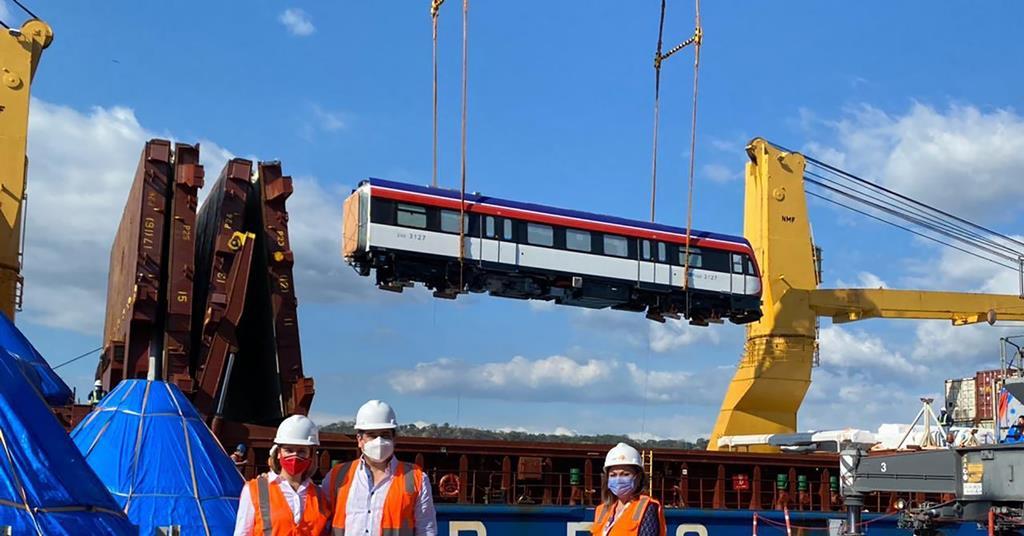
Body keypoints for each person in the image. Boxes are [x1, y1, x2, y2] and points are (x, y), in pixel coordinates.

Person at [323, 400, 437, 536]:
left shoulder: (416, 478)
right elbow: (322, 524)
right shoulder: (337, 476)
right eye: (372, 435)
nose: (379, 441)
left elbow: (426, 530)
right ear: (360, 440)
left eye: (385, 435)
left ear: (395, 439)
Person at [233, 415, 330, 536]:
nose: (295, 456)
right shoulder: (254, 489)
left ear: (310, 455)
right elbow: (242, 533)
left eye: (301, 451)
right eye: (289, 450)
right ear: (278, 453)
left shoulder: (320, 495)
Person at [591, 443, 666, 536]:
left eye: (625, 474)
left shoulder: (646, 507)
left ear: (638, 477)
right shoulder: (602, 510)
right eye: (613, 475)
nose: (618, 479)